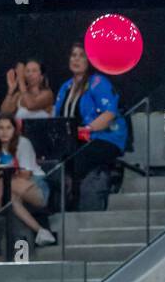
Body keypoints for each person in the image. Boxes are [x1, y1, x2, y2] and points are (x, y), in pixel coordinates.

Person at [53, 42, 127, 211]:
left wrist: (87, 129)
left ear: (90, 60)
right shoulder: (65, 87)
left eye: (81, 55)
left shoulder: (98, 82)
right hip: (74, 140)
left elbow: (109, 114)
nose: (76, 59)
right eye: (73, 55)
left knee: (77, 160)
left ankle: (75, 203)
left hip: (103, 138)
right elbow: (57, 118)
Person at [0, 114, 54, 246]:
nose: (4, 132)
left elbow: (26, 174)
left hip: (36, 186)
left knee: (1, 183)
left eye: (8, 128)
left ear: (15, 129)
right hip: (12, 188)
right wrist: (4, 172)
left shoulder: (23, 143)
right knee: (10, 198)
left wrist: (2, 172)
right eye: (0, 128)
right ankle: (41, 231)